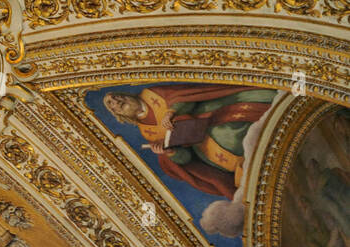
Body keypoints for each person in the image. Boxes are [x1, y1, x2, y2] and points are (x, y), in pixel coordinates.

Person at [101, 85, 277, 198]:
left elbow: (186, 96)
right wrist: (169, 152)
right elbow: (185, 158)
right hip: (201, 145)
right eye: (112, 104)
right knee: (233, 162)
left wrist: (172, 112)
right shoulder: (146, 132)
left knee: (229, 134)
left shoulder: (152, 94)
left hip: (208, 116)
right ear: (119, 115)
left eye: (116, 96)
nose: (116, 100)